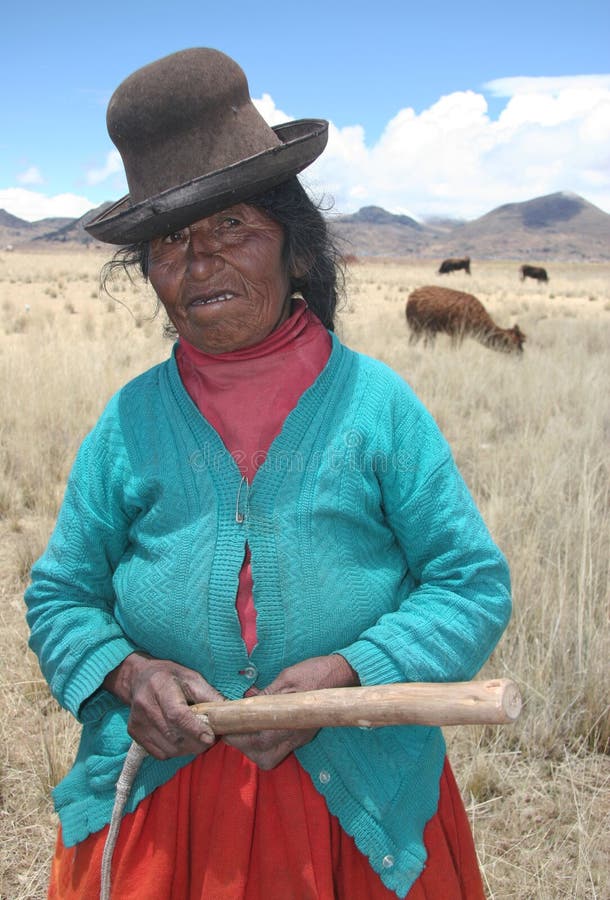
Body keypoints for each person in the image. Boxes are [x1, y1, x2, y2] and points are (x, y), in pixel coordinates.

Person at [25, 48, 511, 899]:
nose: (200, 260)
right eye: (171, 239)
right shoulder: (129, 422)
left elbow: (470, 584)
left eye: (232, 227)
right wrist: (128, 675)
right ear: (149, 272)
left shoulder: (376, 406)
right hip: (162, 815)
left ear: (297, 248)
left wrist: (353, 671)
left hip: (352, 807)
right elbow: (60, 595)